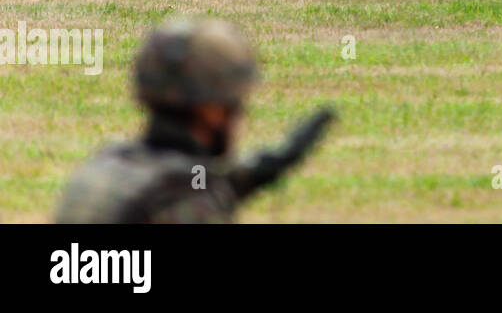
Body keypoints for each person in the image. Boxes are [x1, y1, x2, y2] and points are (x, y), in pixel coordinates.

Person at [55, 17, 334, 223]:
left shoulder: (105, 169)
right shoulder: (187, 204)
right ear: (210, 111)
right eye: (233, 104)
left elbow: (176, 184)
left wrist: (258, 172)